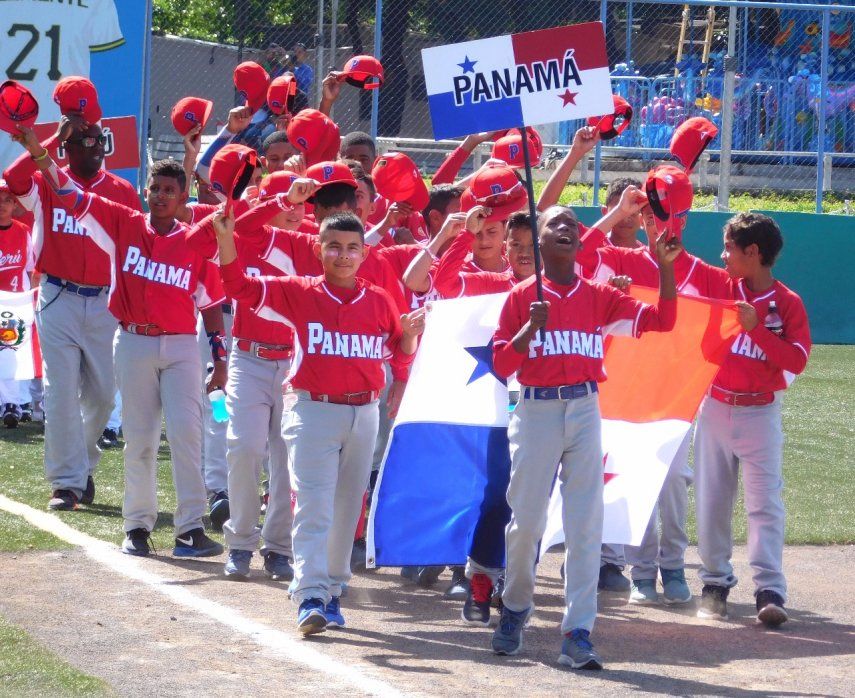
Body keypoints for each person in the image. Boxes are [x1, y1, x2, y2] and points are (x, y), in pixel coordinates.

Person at [13, 127, 228, 557]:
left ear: (183, 196)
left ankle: (189, 529)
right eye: (156, 188)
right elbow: (67, 191)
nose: (162, 195)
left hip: (183, 348)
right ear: (145, 192)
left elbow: (211, 303)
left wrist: (219, 358)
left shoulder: (194, 240)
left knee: (188, 437)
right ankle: (136, 528)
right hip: (132, 343)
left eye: (171, 189)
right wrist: (37, 150)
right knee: (141, 439)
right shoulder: (121, 221)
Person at [213, 208, 425, 635]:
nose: (343, 256)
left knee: (348, 508)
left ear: (365, 253)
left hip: (364, 413)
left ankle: (332, 589)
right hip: (312, 410)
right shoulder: (300, 291)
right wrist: (225, 241)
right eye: (333, 246)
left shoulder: (381, 299)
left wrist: (407, 336)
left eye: (351, 248)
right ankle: (309, 593)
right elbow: (237, 286)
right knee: (313, 505)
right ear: (318, 248)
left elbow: (398, 356)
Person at [490, 205, 680, 669]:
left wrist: (666, 268)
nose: (567, 230)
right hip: (535, 409)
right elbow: (501, 366)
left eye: (573, 226)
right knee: (527, 523)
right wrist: (526, 329)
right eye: (556, 223)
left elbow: (663, 320)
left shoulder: (598, 295)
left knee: (585, 525)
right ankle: (515, 606)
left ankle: (578, 631)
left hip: (585, 407)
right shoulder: (520, 297)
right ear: (538, 240)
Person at [4, 114, 141, 510]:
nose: (97, 146)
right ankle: (66, 483)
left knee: (101, 397)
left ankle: (80, 467)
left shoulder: (121, 190)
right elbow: (13, 179)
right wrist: (49, 138)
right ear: (67, 147)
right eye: (86, 141)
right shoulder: (49, 181)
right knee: (60, 393)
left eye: (100, 140)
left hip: (105, 302)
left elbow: (133, 248)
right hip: (57, 295)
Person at [693, 212, 811, 627]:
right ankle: (714, 583)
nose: (723, 255)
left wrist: (757, 328)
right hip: (716, 408)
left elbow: (796, 360)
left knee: (764, 503)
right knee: (711, 499)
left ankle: (769, 589)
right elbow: (685, 271)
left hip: (760, 411)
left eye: (729, 248)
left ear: (753, 253)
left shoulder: (787, 303)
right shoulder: (724, 286)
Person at [0, 179, 35, 428]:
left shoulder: (23, 231)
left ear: (15, 204)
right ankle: (11, 402)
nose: (2, 205)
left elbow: (32, 270)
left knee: (11, 350)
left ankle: (13, 403)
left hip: (15, 302)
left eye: (7, 200)